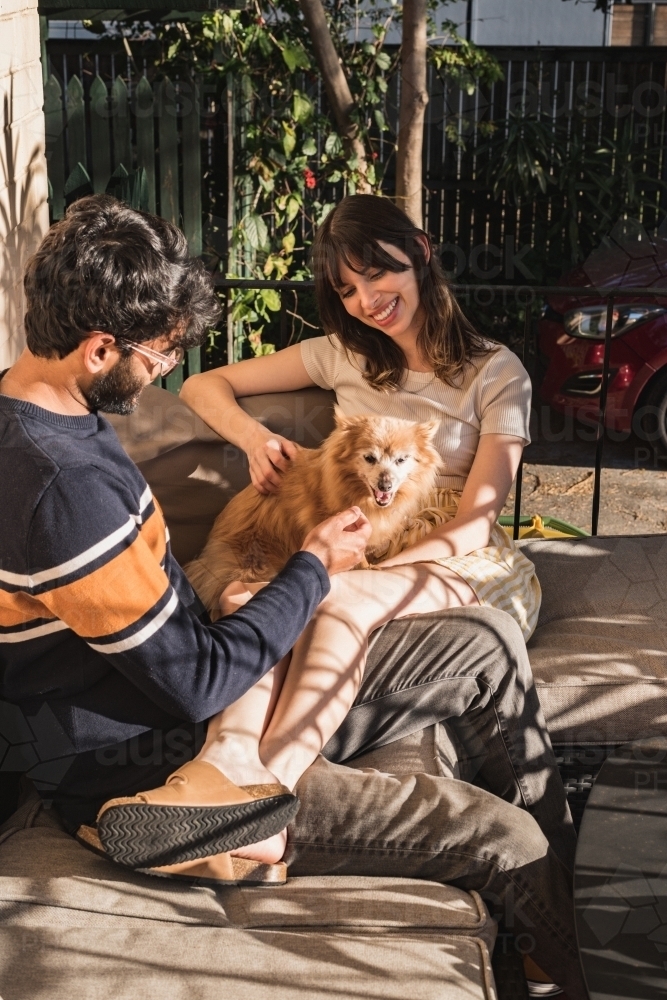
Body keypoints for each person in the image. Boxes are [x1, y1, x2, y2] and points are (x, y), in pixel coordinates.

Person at [0, 195, 586, 997]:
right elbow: (197, 681)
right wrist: (307, 570)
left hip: (180, 672)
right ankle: (559, 970)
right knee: (509, 841)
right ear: (101, 347)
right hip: (158, 754)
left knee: (484, 639)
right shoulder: (59, 483)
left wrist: (246, 599)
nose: (167, 369)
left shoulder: (54, 412)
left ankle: (565, 902)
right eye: (160, 353)